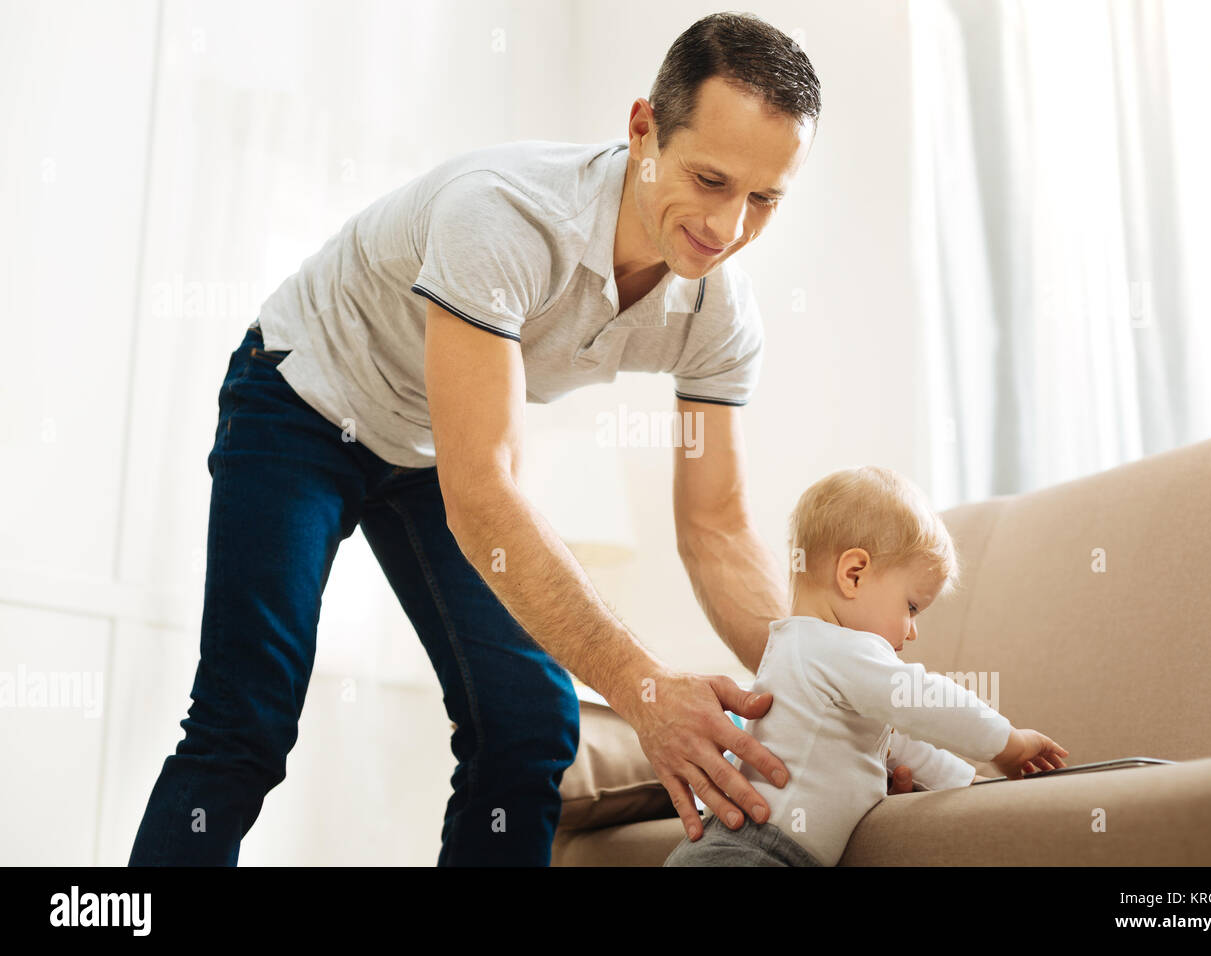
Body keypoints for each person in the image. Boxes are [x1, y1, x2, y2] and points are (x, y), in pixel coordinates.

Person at [128, 13, 841, 866]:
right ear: (643, 128)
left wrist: (834, 699)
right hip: (301, 402)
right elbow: (484, 493)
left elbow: (717, 532)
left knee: (531, 723)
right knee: (246, 719)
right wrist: (646, 687)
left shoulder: (719, 314)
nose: (728, 229)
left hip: (430, 444)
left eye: (763, 199)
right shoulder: (504, 215)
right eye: (711, 179)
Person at [663, 466, 1069, 866]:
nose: (912, 632)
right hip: (750, 852)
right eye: (911, 607)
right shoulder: (832, 649)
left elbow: (902, 746)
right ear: (853, 575)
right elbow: (925, 701)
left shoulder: (813, 654)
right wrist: (1008, 743)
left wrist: (973, 784)